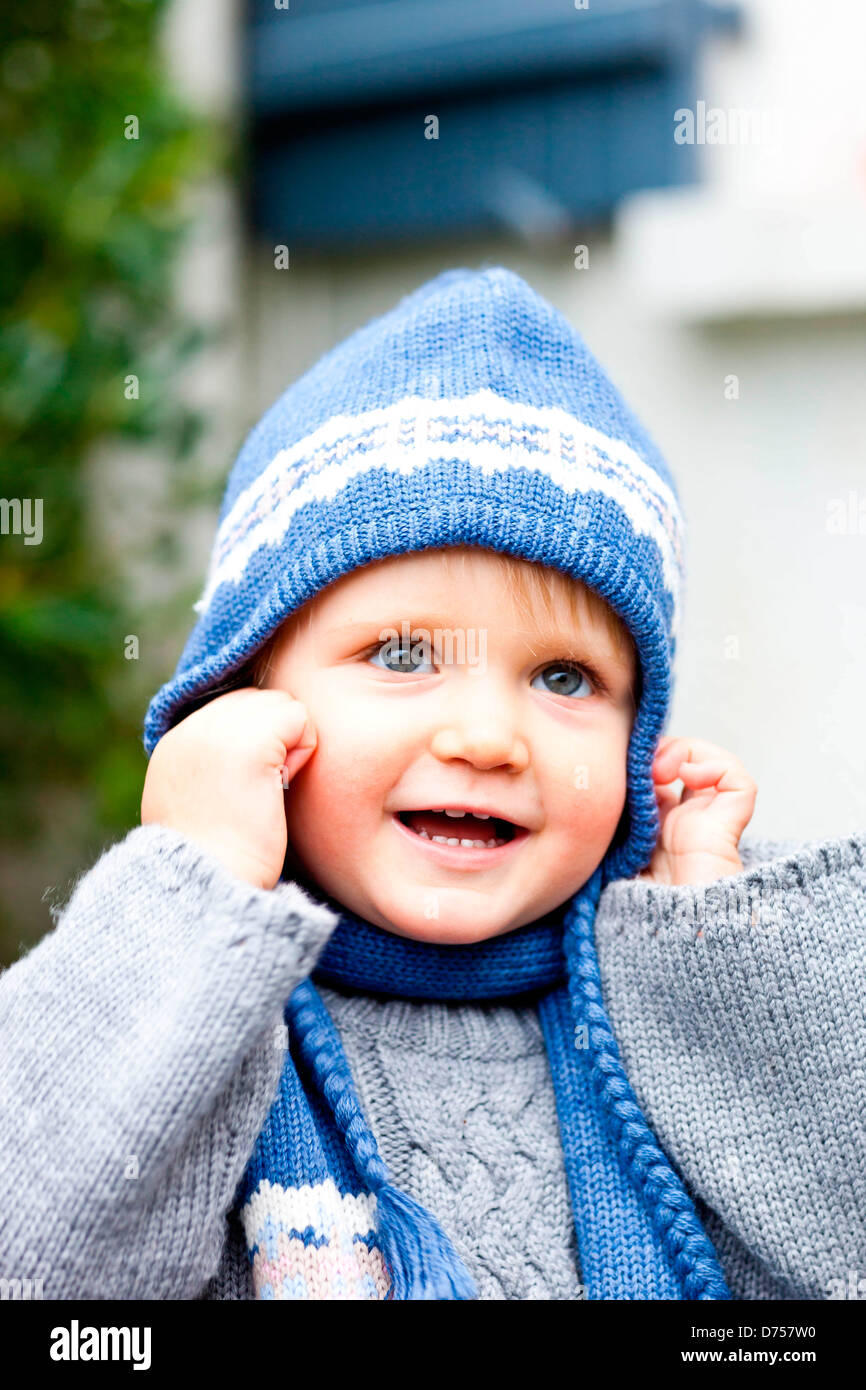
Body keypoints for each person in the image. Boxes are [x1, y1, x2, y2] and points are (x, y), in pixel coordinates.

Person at [1, 267, 864, 1301]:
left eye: (562, 677)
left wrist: (712, 964)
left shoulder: (660, 1011)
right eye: (403, 655)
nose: (488, 736)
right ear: (246, 693)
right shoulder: (188, 1000)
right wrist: (192, 889)